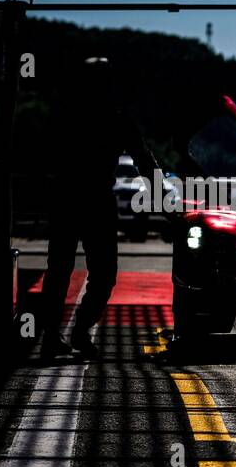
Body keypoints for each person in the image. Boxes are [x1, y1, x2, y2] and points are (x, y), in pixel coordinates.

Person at [40, 57, 157, 360]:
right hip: (95, 200)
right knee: (102, 273)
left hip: (67, 198)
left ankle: (54, 335)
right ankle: (78, 332)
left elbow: (43, 155)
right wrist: (164, 197)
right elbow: (143, 158)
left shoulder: (66, 114)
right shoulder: (116, 117)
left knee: (60, 271)